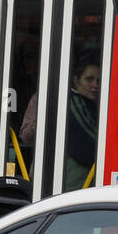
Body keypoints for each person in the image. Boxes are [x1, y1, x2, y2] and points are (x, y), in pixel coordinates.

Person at [20, 56, 101, 190]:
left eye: (99, 80)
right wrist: (39, 125)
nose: (95, 85)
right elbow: (25, 136)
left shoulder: (99, 104)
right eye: (89, 79)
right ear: (76, 80)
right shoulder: (49, 98)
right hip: (62, 180)